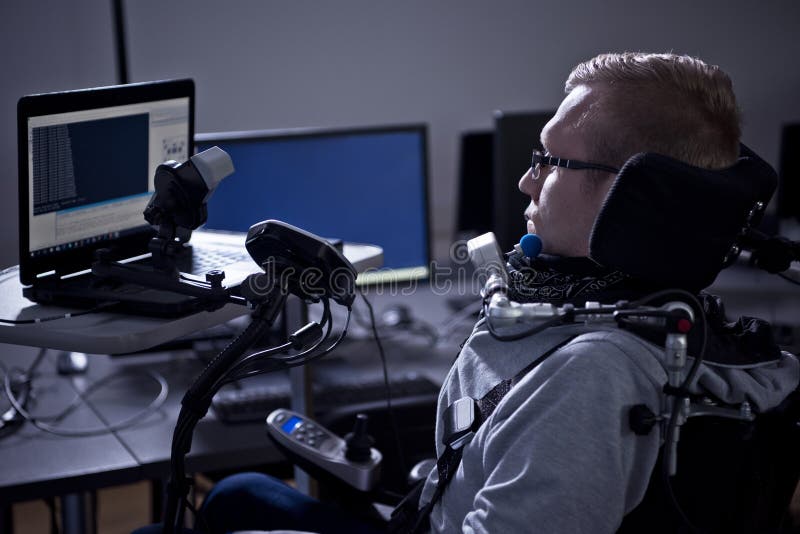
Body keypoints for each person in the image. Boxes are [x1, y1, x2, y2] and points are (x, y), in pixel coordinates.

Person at [138, 52, 800, 534]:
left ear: (633, 196)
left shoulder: (589, 376)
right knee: (237, 494)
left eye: (550, 161)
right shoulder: (658, 320)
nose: (526, 182)